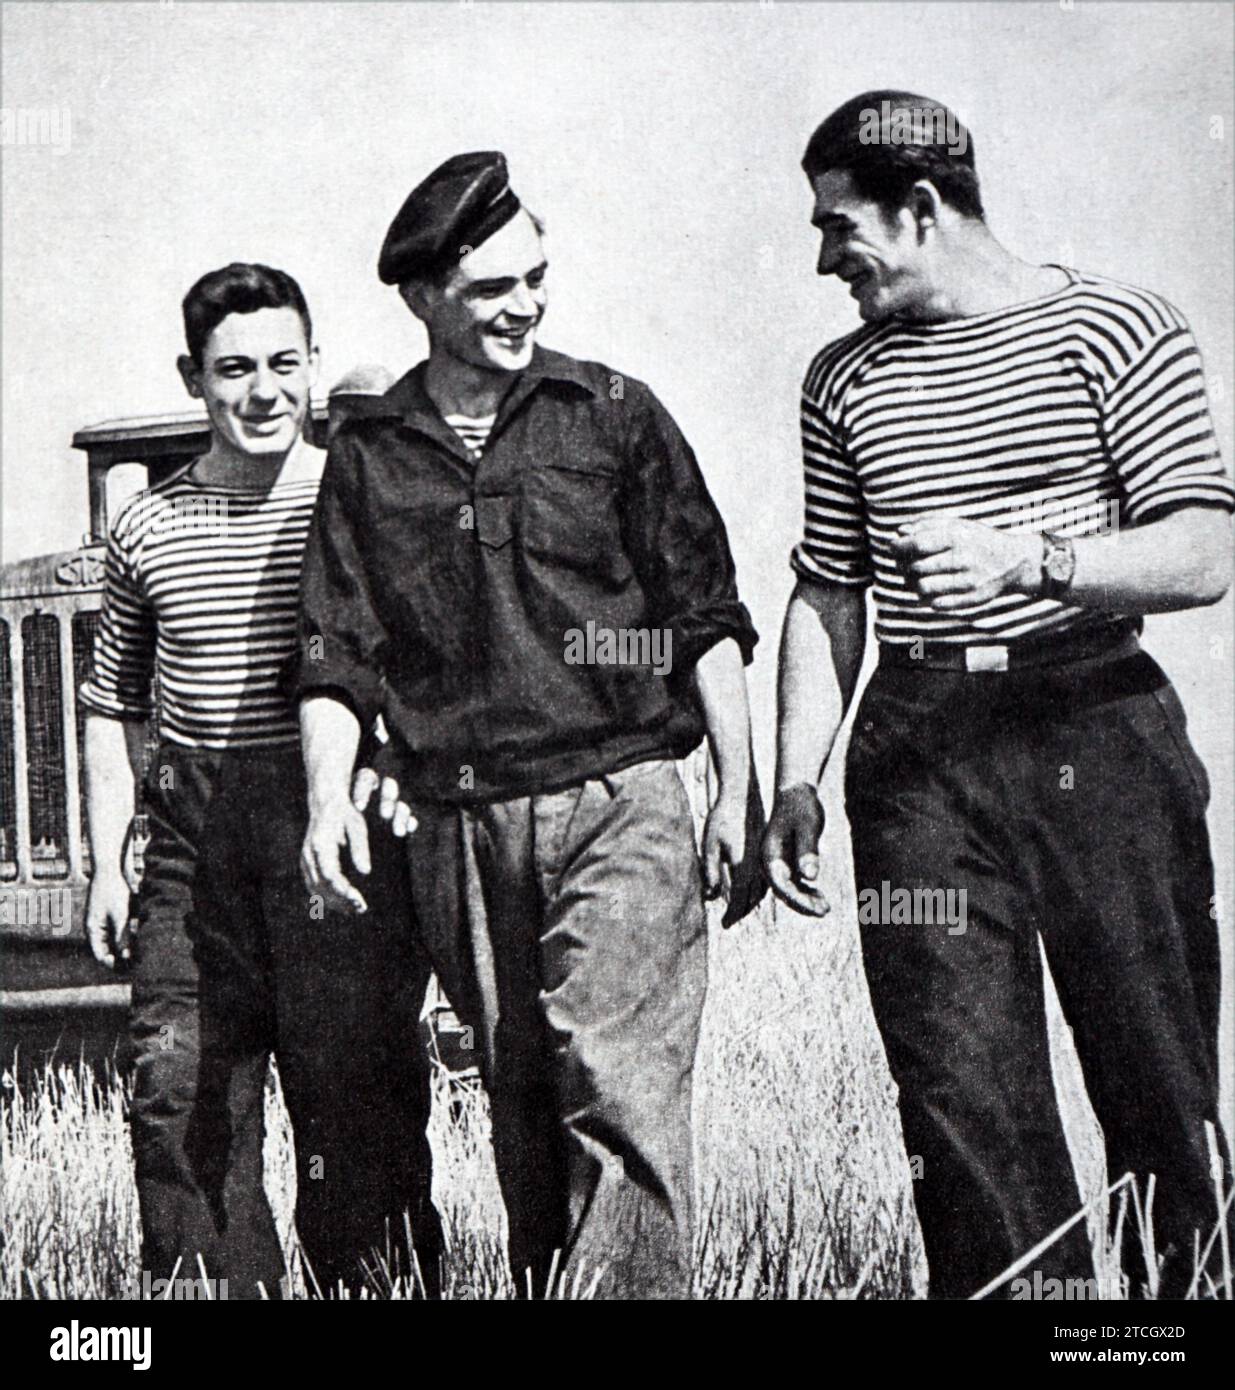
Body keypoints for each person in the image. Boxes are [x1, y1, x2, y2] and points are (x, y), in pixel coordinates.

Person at [762, 91, 1234, 1299]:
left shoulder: (1118, 329)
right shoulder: (840, 381)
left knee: (1156, 1080)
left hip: (1093, 731)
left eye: (837, 226)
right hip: (918, 757)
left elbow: (1199, 551)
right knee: (960, 1106)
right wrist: (794, 782)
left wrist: (1033, 559)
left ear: (918, 211)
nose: (822, 259)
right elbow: (827, 592)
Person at [291, 152, 761, 1299]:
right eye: (492, 289)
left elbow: (702, 612)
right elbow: (336, 649)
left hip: (623, 794)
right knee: (524, 1104)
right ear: (422, 299)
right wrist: (321, 802)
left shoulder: (613, 416)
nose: (525, 305)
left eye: (535, 279)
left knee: (615, 1081)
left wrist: (737, 786)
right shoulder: (368, 453)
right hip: (462, 821)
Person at [81, 263, 442, 1299]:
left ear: (313, 365)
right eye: (234, 369)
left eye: (285, 363)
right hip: (194, 849)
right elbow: (112, 703)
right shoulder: (146, 527)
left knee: (354, 1097)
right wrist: (109, 866)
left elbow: (415, 667)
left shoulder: (354, 498)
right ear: (193, 376)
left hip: (326, 832)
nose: (264, 391)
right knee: (180, 1088)